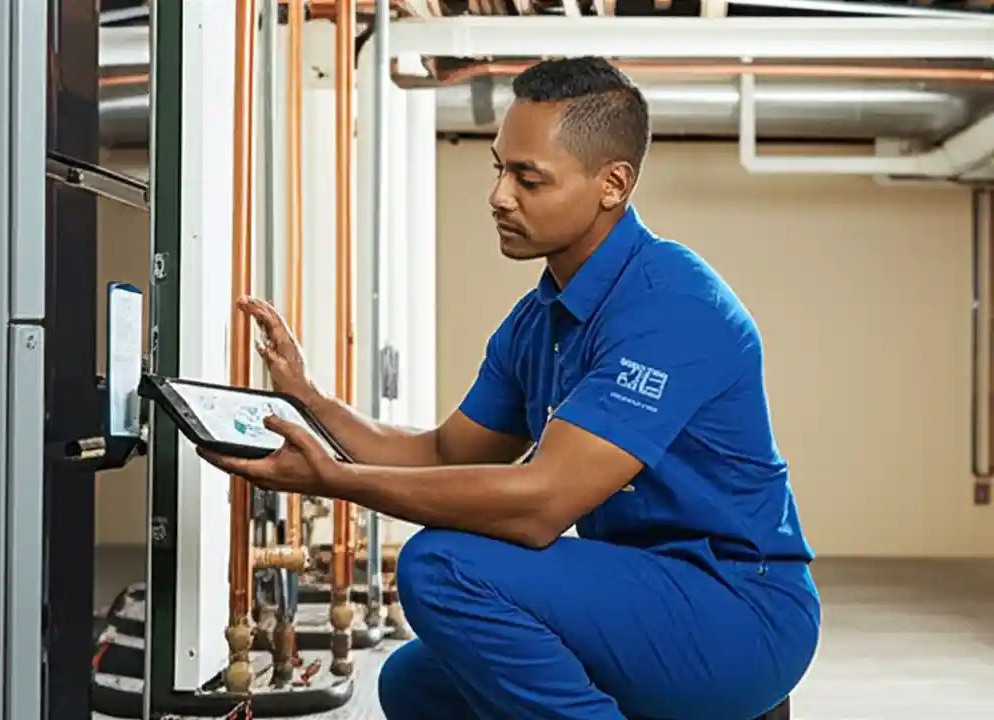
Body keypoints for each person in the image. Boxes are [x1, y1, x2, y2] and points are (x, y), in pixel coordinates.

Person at [199, 56, 820, 720]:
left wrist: (333, 480)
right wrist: (311, 403)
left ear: (613, 184)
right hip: (650, 593)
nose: (500, 195)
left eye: (528, 178)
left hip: (740, 612)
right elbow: (444, 453)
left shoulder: (672, 304)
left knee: (442, 566)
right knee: (417, 684)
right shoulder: (541, 320)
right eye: (499, 168)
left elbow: (541, 504)